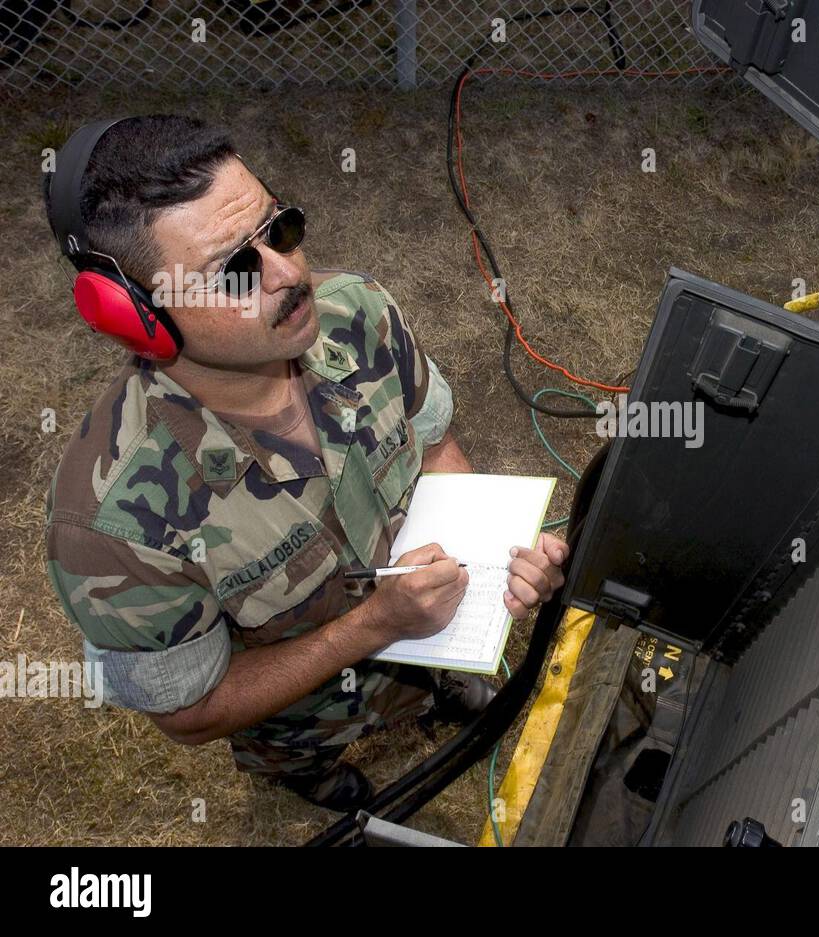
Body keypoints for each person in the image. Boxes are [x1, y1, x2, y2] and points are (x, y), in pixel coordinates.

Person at [42, 115, 568, 810]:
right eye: (234, 271)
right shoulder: (112, 523)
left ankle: (442, 682)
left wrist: (483, 563)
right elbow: (193, 711)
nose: (291, 274)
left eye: (279, 227)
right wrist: (377, 624)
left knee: (443, 678)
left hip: (422, 630)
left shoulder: (360, 311)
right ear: (134, 312)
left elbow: (434, 443)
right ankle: (306, 774)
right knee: (296, 753)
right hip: (296, 714)